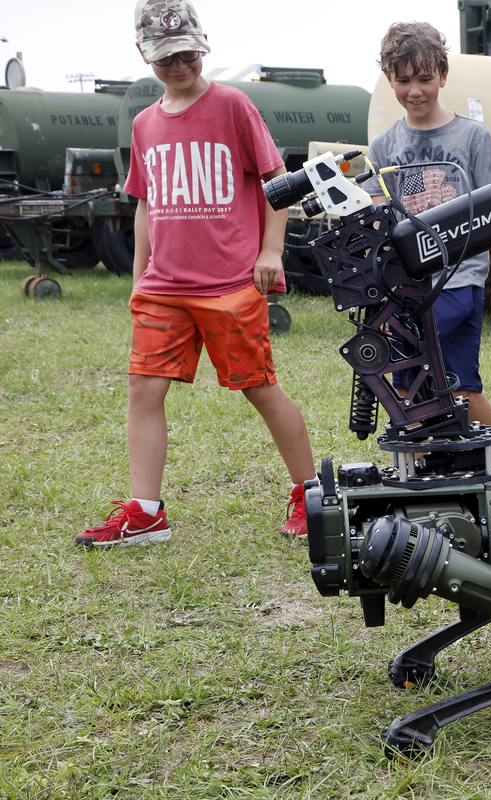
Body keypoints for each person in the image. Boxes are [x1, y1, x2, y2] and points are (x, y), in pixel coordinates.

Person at [77, 0, 316, 548]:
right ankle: (146, 514)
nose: (179, 65)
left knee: (259, 388)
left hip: (230, 285)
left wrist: (271, 252)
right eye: (166, 58)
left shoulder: (233, 105)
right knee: (143, 388)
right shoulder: (144, 124)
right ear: (144, 54)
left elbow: (277, 181)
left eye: (188, 53)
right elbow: (145, 205)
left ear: (203, 43)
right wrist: (139, 276)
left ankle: (310, 497)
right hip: (164, 288)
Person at [363, 21, 491, 426]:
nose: (414, 91)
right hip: (405, 287)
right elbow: (380, 222)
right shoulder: (383, 146)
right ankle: (415, 477)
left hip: (459, 279)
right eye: (403, 80)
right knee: (405, 390)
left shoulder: (472, 137)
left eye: (425, 79)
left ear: (444, 76)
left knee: (459, 386)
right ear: (389, 79)